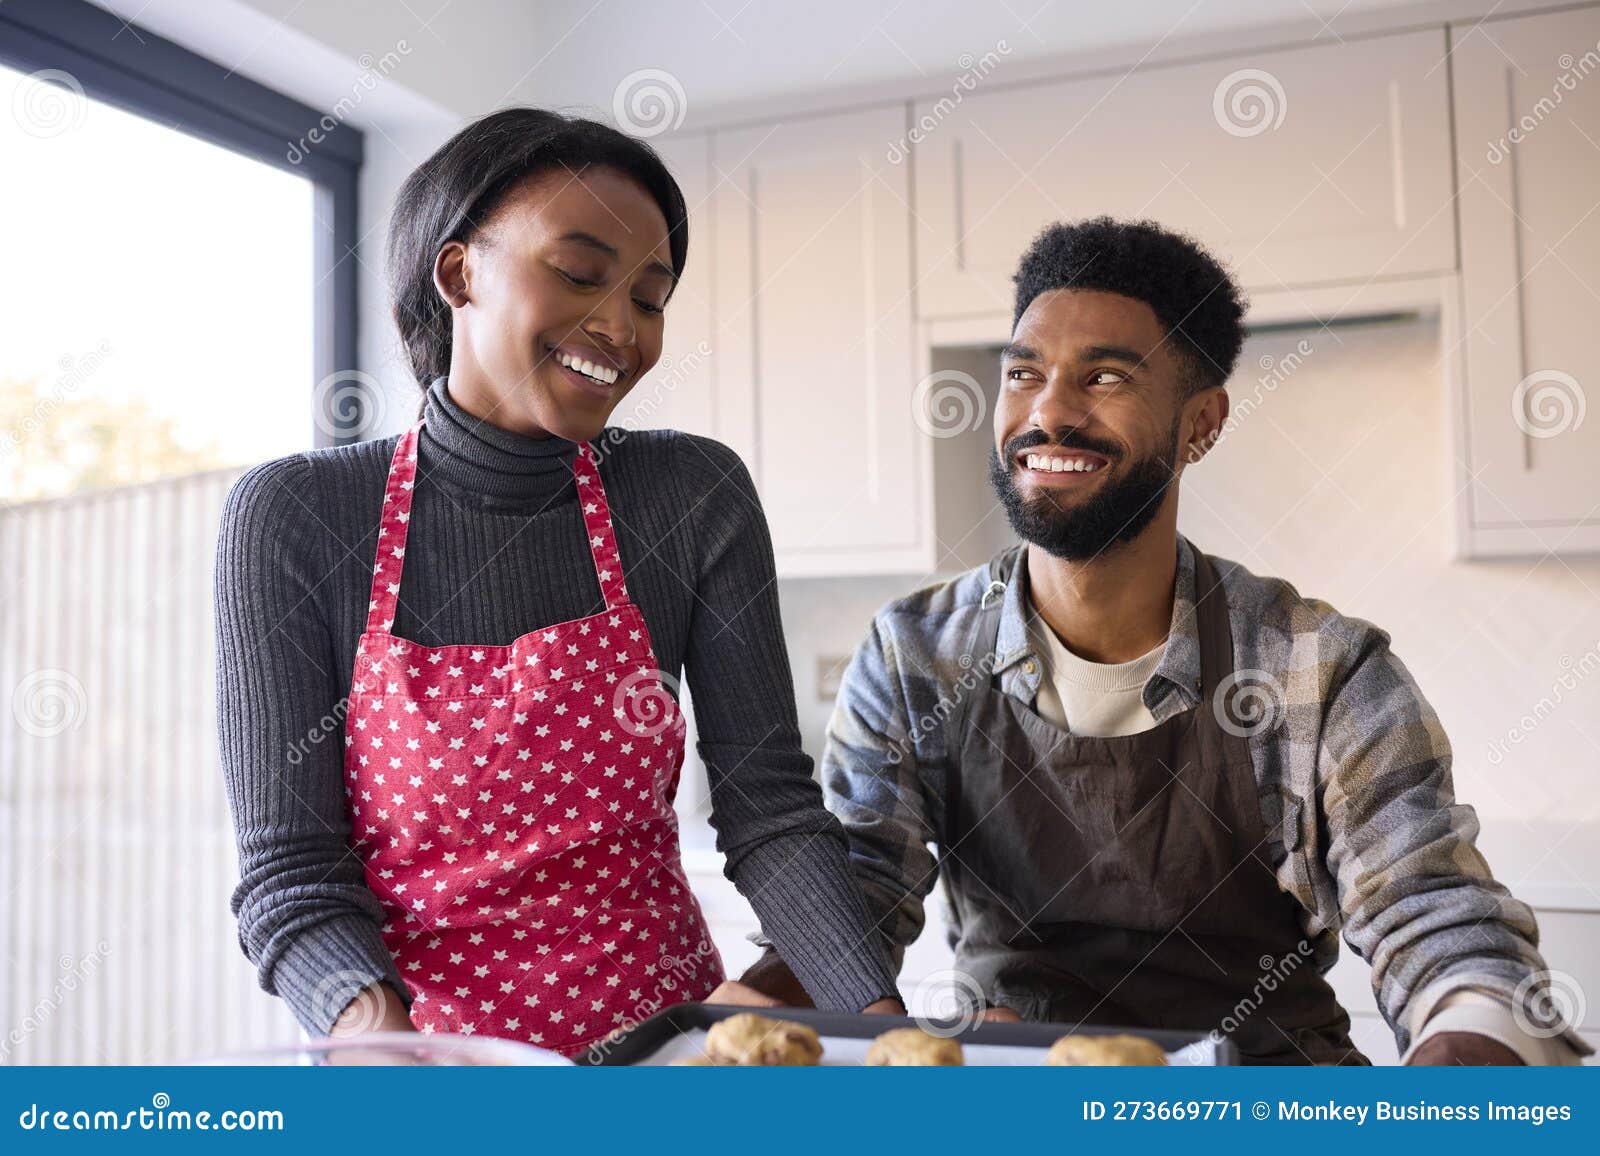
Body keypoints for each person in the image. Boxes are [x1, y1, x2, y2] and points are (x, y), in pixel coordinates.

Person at [742, 217, 1589, 1066]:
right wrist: (749, 1016)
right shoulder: (913, 656)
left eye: (1103, 376)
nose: (1048, 411)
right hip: (1023, 1104)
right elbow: (855, 890)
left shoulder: (1317, 669)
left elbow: (1433, 913)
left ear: (1201, 424)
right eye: (1024, 373)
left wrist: (1469, 1048)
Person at [215, 108, 900, 1058]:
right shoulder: (298, 514)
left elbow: (773, 813)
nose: (620, 327)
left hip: (672, 1062)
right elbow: (291, 873)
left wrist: (886, 1032)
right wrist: (385, 1047)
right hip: (433, 1072)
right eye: (579, 274)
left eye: (651, 298)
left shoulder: (689, 496)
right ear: (457, 274)